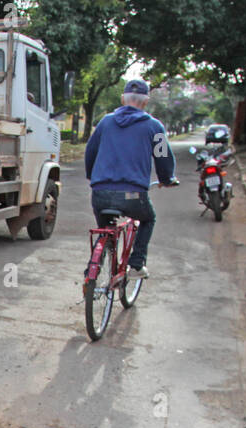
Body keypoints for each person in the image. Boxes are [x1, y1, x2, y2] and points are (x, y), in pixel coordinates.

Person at [84, 79, 178, 279]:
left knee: (105, 229)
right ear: (146, 102)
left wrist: (93, 177)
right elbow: (162, 157)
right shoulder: (155, 126)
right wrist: (167, 178)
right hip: (133, 195)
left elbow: (90, 151)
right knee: (148, 218)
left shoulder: (105, 122)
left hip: (100, 193)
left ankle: (93, 268)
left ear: (122, 99)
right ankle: (136, 262)